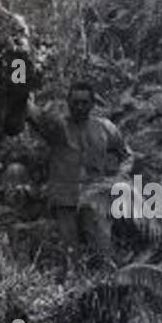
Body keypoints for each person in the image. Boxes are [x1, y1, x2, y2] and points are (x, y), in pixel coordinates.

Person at [27, 78, 132, 271]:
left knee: (102, 249)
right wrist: (18, 75)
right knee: (70, 252)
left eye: (84, 102)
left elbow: (127, 156)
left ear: (92, 104)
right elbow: (33, 113)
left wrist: (118, 179)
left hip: (95, 197)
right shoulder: (57, 126)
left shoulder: (105, 127)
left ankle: (106, 285)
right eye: (75, 102)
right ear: (68, 102)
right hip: (64, 197)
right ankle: (74, 284)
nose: (79, 107)